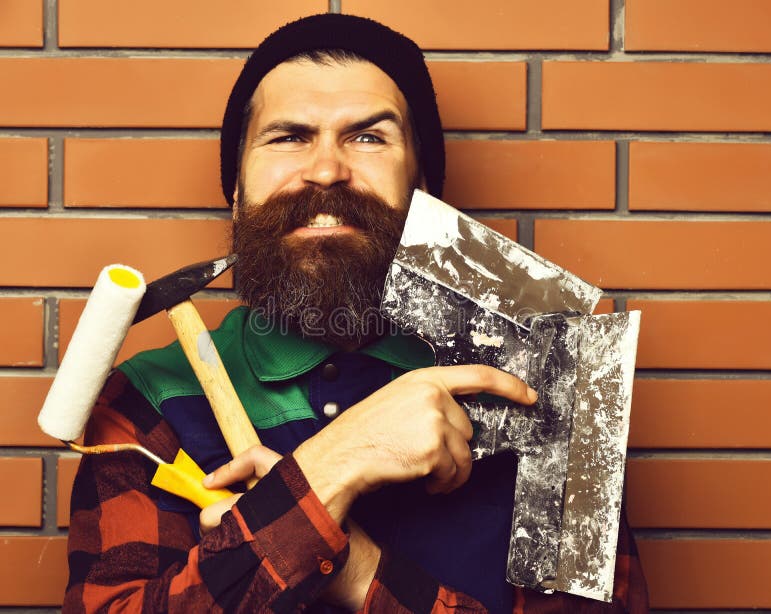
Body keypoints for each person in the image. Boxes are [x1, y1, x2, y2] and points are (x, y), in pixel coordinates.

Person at [64, 13, 648, 613]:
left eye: (369, 137)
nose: (326, 170)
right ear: (237, 196)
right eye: (288, 137)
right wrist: (334, 466)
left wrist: (355, 570)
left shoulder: (548, 377)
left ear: (424, 188)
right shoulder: (148, 401)